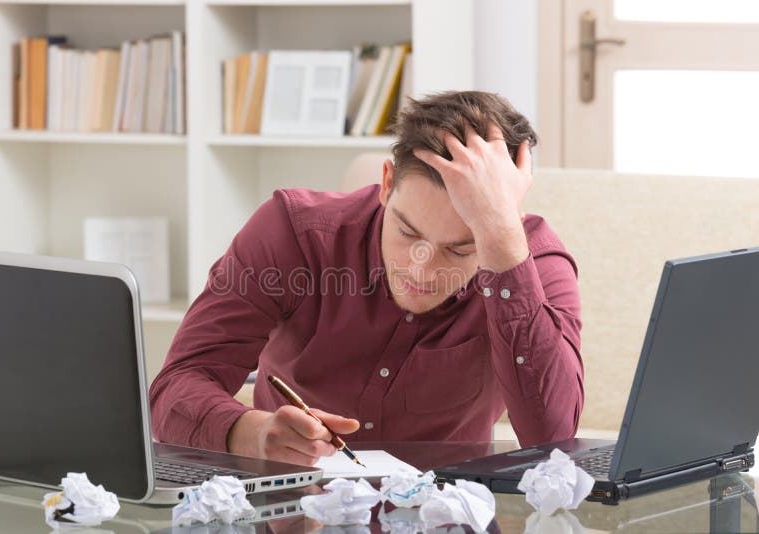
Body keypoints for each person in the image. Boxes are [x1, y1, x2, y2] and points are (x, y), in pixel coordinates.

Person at [149, 91, 583, 466]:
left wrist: (502, 244)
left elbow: (553, 438)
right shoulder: (293, 233)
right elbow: (174, 389)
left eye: (461, 247)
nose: (421, 269)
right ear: (387, 183)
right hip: (291, 514)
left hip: (443, 517)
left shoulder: (533, 263)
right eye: (408, 231)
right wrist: (252, 434)